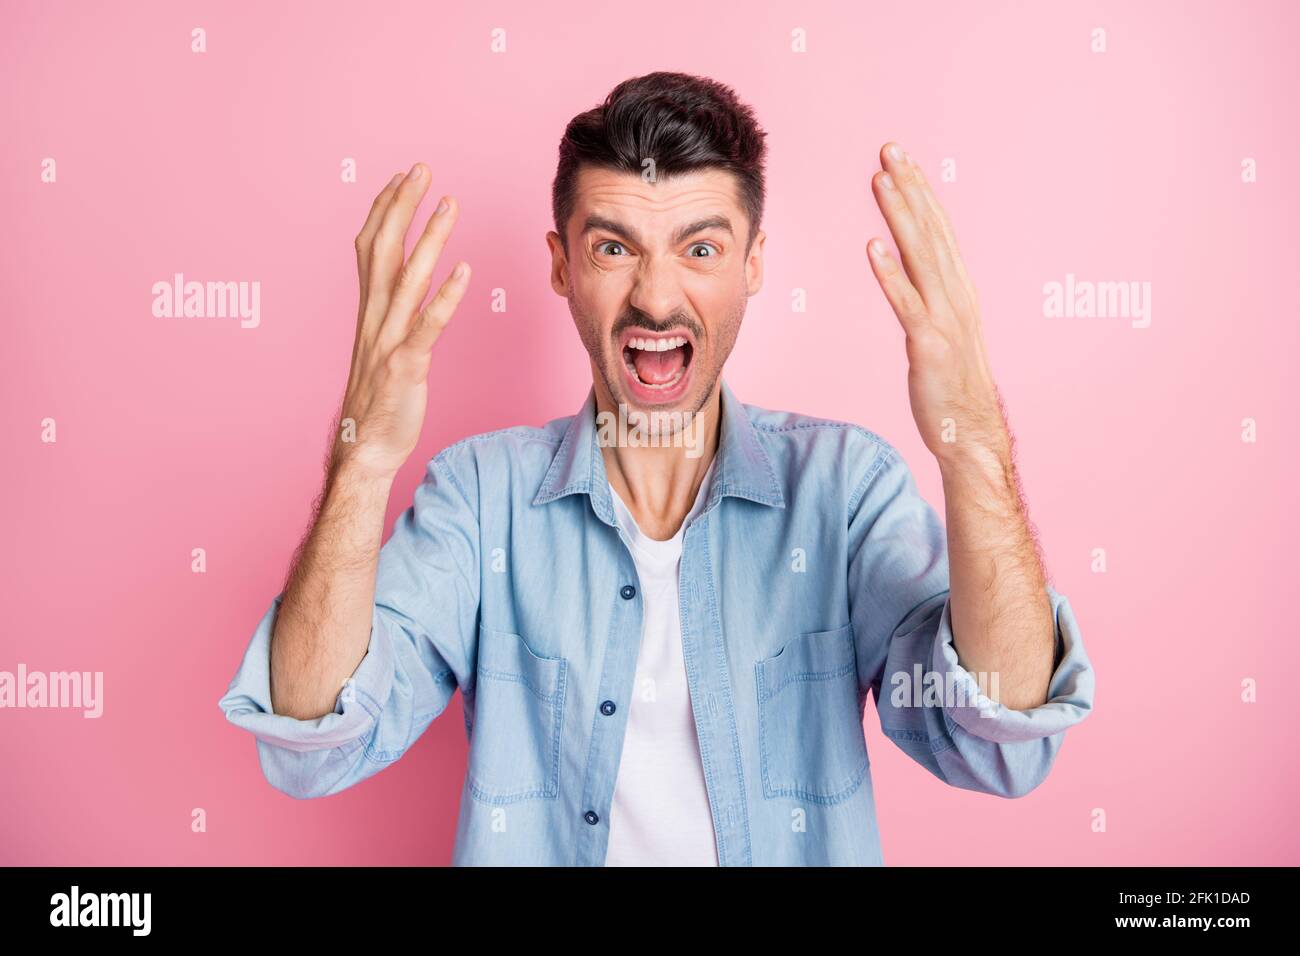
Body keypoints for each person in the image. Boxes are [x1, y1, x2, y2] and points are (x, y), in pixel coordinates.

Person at [218, 71, 1095, 866]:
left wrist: (973, 439)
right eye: (613, 248)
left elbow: (1002, 741)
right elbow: (311, 741)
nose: (657, 297)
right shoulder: (480, 499)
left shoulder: (844, 489)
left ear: (754, 265)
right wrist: (362, 455)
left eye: (701, 250)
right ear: (561, 265)